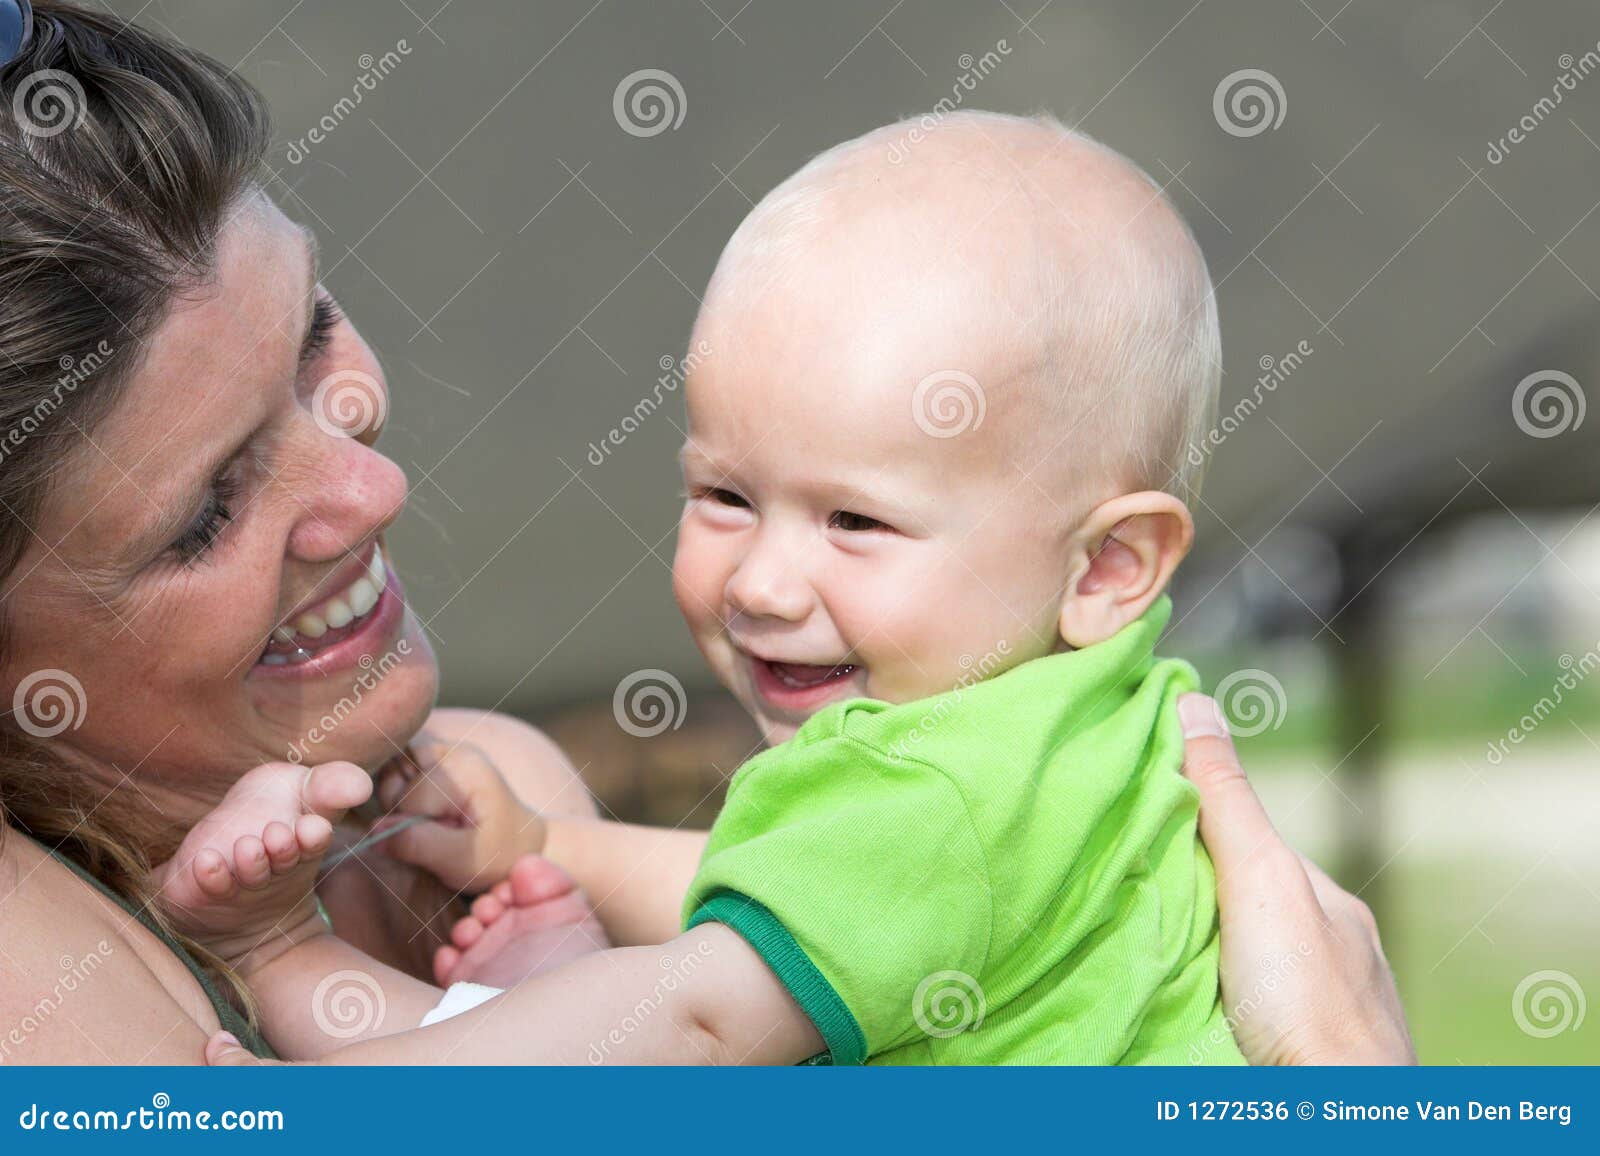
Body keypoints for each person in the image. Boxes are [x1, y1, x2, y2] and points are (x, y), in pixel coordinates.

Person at [0, 2, 1410, 1067]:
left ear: (1107, 567)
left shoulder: (923, 786)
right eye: (207, 509)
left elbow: (699, 1007)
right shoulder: (43, 995)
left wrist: (302, 949)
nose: (373, 489)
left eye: (312, 337)